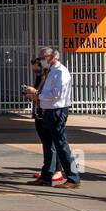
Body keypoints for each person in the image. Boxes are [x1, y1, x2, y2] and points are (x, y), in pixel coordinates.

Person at [25, 46, 80, 189]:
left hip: (57, 111)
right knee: (48, 144)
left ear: (53, 57)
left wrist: (37, 94)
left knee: (61, 145)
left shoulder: (61, 72)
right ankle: (46, 176)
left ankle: (73, 178)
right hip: (48, 111)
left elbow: (57, 95)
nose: (42, 61)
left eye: (43, 58)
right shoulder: (51, 72)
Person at [26, 56, 62, 184]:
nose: (34, 68)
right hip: (39, 113)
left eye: (36, 65)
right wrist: (30, 94)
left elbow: (49, 95)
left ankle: (57, 170)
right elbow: (38, 96)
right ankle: (48, 169)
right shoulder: (39, 78)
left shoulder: (49, 78)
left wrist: (34, 92)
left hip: (47, 113)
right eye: (34, 66)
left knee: (52, 143)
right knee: (46, 143)